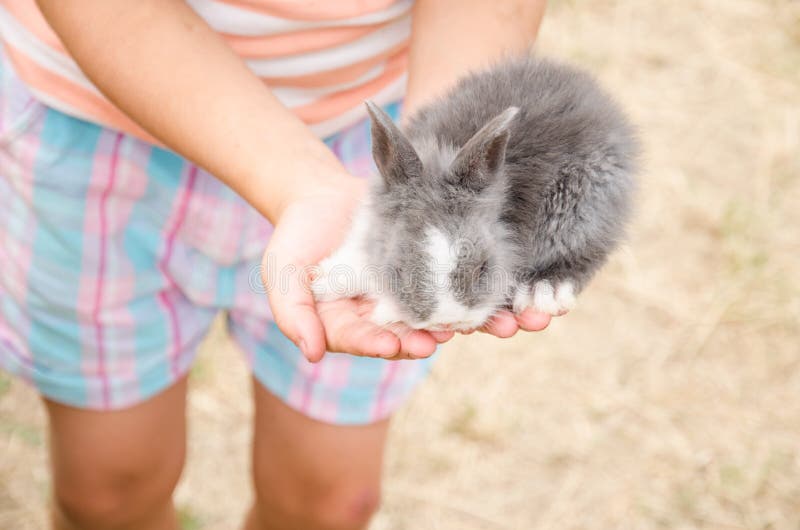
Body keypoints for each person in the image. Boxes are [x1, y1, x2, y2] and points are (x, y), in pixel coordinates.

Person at [0, 1, 549, 528]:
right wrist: (303, 185)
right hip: (95, 118)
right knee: (106, 491)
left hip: (376, 136)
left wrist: (438, 179)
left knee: (331, 501)